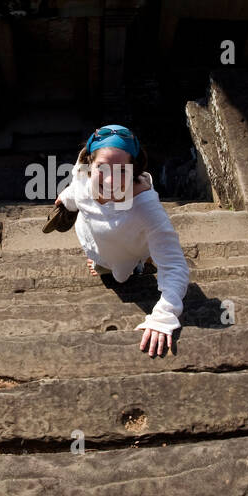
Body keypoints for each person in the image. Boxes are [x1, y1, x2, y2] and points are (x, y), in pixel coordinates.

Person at [54, 124, 189, 358]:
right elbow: (76, 188)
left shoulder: (146, 208)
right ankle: (102, 260)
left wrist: (164, 315)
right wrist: (65, 200)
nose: (109, 181)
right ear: (89, 164)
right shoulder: (83, 176)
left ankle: (139, 261)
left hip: (125, 252)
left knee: (120, 277)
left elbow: (175, 265)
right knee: (100, 261)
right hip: (93, 238)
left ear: (134, 169)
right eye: (102, 168)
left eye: (122, 171)